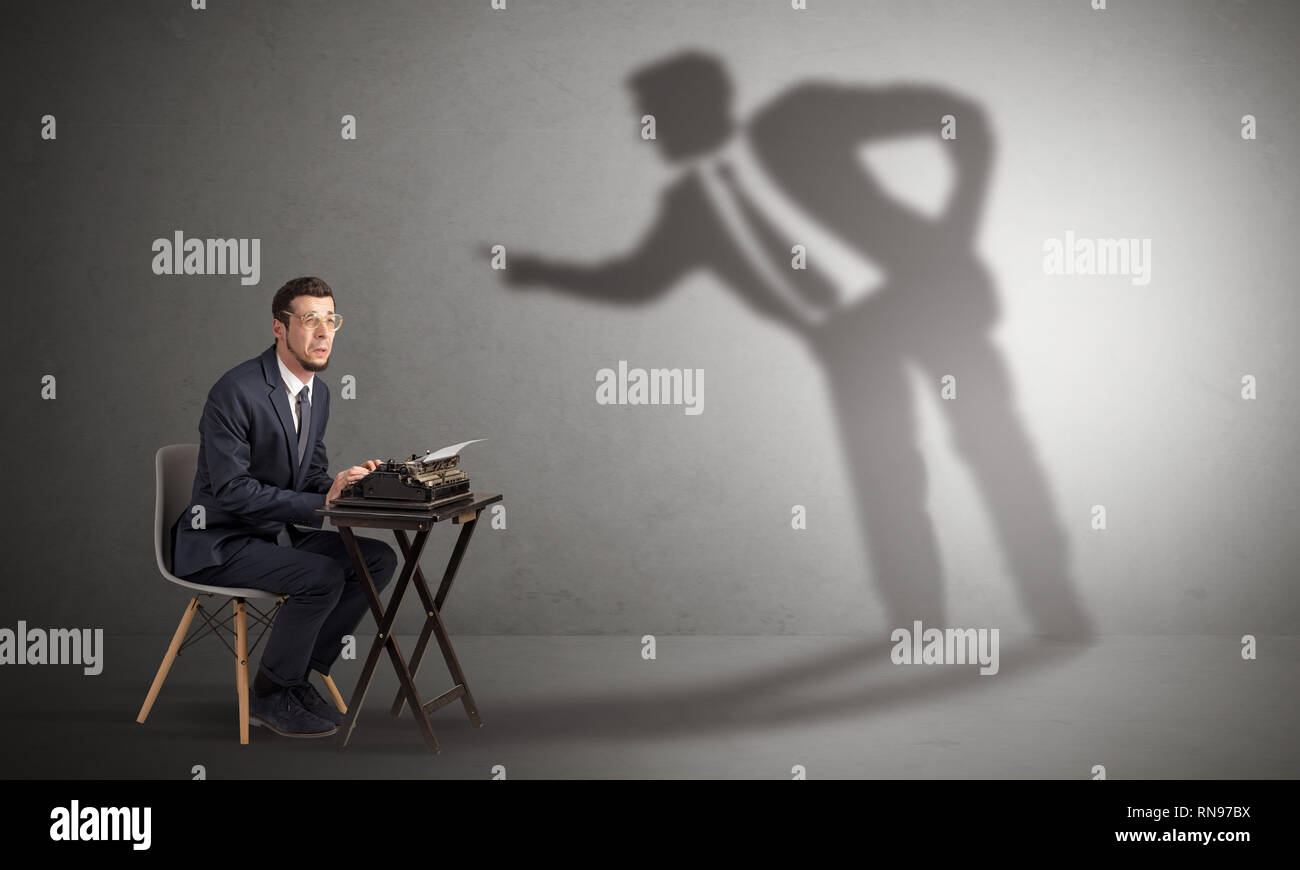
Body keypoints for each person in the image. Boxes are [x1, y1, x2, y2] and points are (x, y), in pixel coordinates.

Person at [503, 51, 1093, 641]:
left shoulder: (798, 119)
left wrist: (954, 237)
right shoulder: (689, 210)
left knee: (994, 448)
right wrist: (536, 272)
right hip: (853, 346)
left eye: (652, 113)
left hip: (933, 307)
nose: (644, 132)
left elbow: (956, 116)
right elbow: (636, 283)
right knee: (885, 480)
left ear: (695, 106)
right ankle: (917, 626)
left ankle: (1055, 606)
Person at [170, 276, 398, 737]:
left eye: (330, 320)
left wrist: (350, 486)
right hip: (220, 540)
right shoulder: (236, 391)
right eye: (309, 319)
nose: (323, 331)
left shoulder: (320, 393)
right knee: (321, 576)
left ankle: (296, 678)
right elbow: (233, 491)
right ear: (279, 327)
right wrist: (320, 499)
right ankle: (271, 693)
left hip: (275, 536)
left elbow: (313, 479)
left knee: (377, 560)